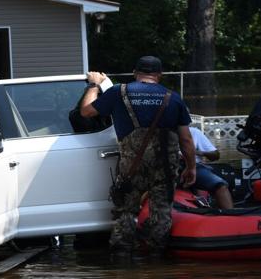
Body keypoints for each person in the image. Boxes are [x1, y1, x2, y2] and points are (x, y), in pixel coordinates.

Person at [78, 55, 196, 252]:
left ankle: (123, 263)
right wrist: (191, 167)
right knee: (161, 212)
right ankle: (155, 261)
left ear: (135, 72)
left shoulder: (118, 92)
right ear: (160, 75)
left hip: (131, 167)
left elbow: (86, 112)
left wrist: (94, 85)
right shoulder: (173, 98)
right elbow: (186, 139)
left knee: (125, 211)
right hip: (165, 167)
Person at [188, 124, 234, 210]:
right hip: (166, 167)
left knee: (220, 185)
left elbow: (216, 155)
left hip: (194, 166)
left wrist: (200, 152)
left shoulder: (194, 132)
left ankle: (230, 218)